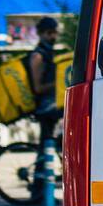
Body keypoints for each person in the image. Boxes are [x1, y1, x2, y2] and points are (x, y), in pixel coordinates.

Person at [27, 17, 62, 145]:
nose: (53, 36)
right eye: (49, 33)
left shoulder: (49, 53)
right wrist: (59, 84)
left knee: (48, 142)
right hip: (45, 105)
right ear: (40, 34)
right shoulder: (38, 56)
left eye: (55, 32)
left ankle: (46, 159)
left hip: (52, 102)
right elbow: (38, 88)